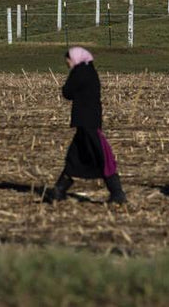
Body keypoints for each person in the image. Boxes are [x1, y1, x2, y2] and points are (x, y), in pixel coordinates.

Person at [44, 46, 127, 205]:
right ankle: (59, 190)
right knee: (76, 154)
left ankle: (117, 192)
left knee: (101, 155)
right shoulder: (90, 71)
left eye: (68, 60)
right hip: (91, 120)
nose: (67, 63)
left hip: (86, 121)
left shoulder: (79, 72)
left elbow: (67, 92)